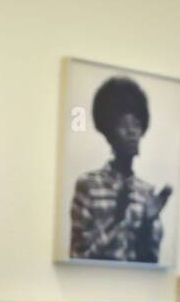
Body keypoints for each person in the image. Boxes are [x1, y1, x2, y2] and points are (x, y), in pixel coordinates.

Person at [69, 76, 171, 263]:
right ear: (109, 133)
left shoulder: (145, 193)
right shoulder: (88, 185)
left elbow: (150, 262)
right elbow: (78, 255)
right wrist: (116, 220)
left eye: (137, 125)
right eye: (124, 125)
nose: (132, 132)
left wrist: (147, 224)